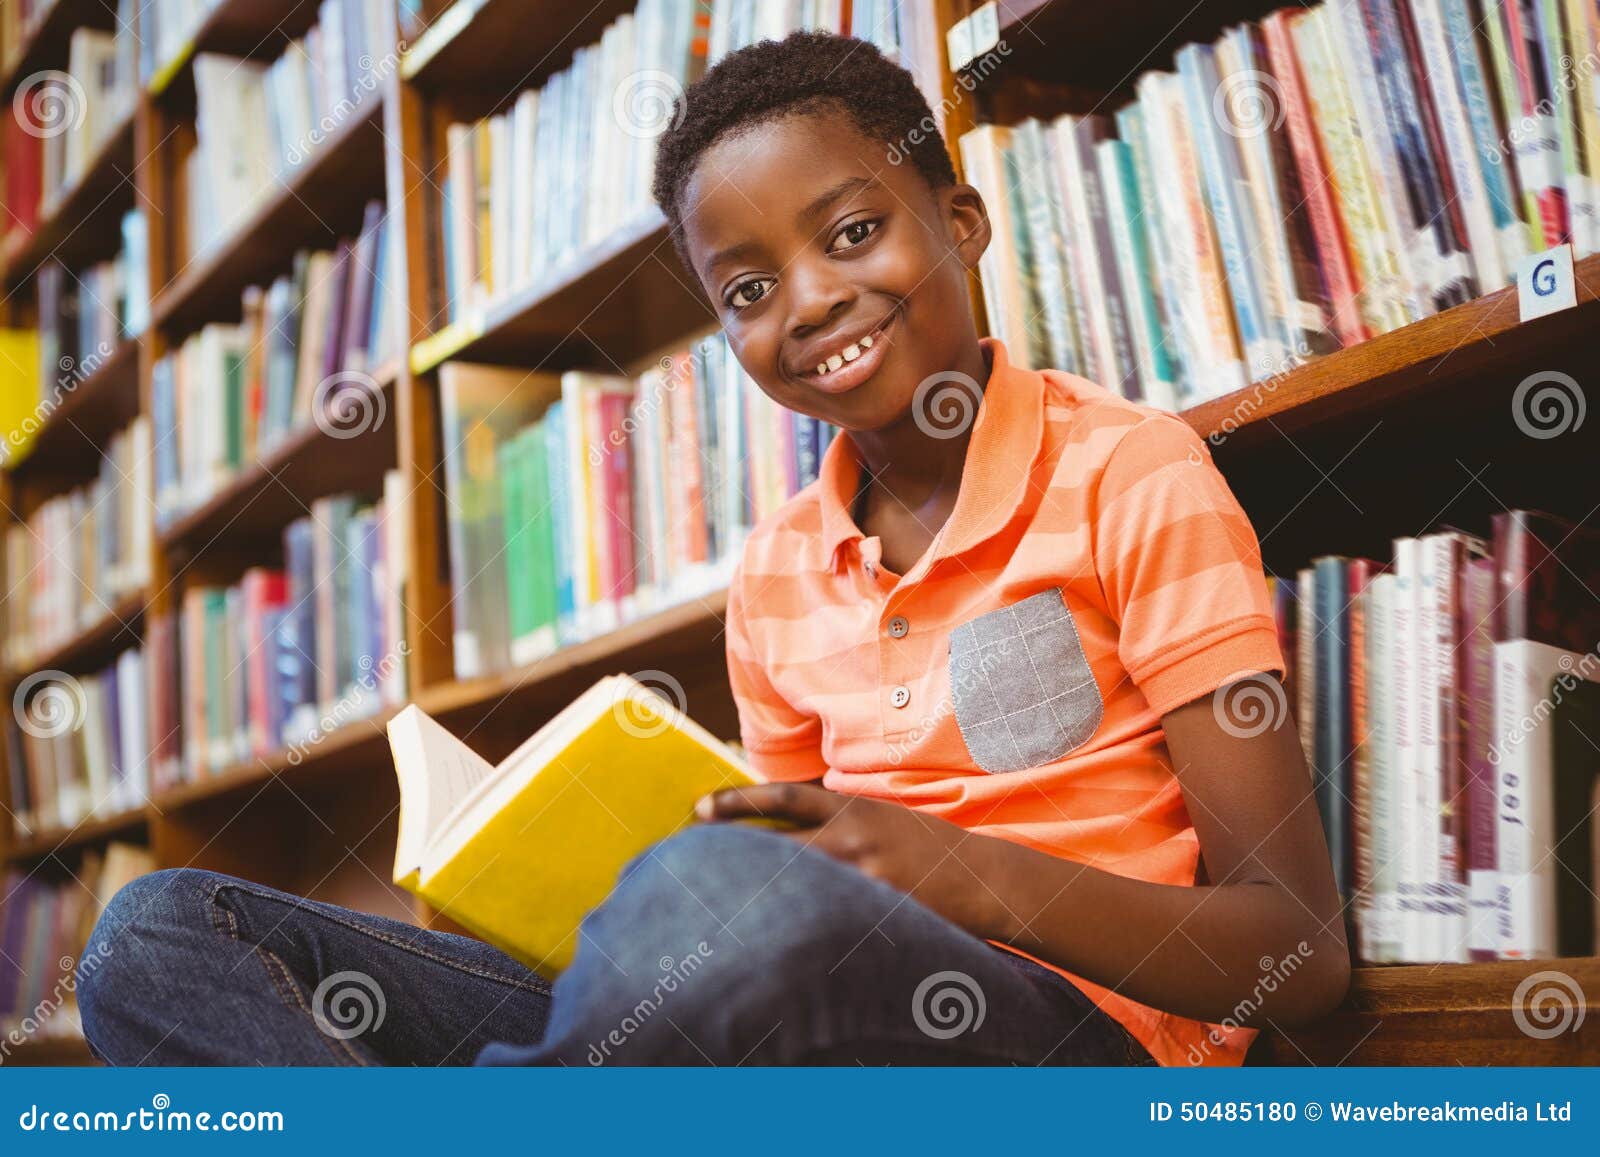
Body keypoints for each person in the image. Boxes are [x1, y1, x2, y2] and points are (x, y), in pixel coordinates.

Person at [79, 30, 1347, 1067]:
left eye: (850, 232)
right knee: (160, 935)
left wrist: (948, 870)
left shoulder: (1129, 472)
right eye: (746, 290)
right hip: (792, 1021)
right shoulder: (774, 575)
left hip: (1071, 1044)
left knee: (737, 895)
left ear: (960, 220)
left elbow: (1295, 950)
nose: (811, 300)